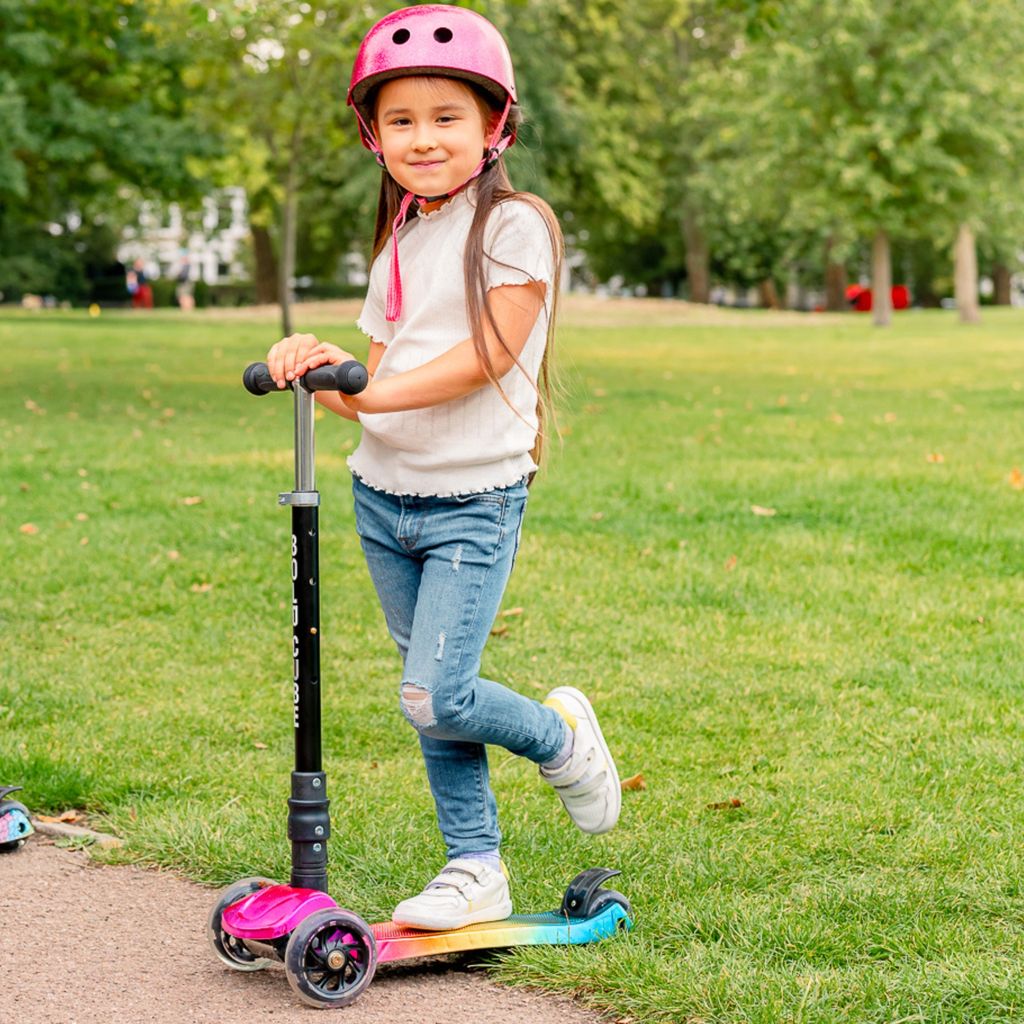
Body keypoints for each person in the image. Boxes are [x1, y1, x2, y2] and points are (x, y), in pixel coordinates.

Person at [264, 4, 620, 932]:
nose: (423, 138)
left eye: (446, 117)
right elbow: (374, 383)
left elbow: (489, 355)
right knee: (433, 699)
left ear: (495, 126)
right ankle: (475, 868)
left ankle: (562, 739)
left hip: (472, 500)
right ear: (374, 137)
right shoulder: (399, 243)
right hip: (383, 498)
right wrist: (314, 363)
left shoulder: (515, 224)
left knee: (436, 691)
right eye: (402, 121)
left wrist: (373, 394)